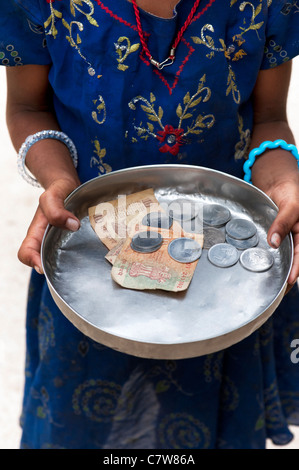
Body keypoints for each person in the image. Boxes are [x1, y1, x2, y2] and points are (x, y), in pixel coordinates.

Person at [1, 0, 299, 449]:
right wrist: (59, 179)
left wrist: (284, 184)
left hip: (224, 276)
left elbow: (270, 118)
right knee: (86, 422)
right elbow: (28, 108)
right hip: (92, 258)